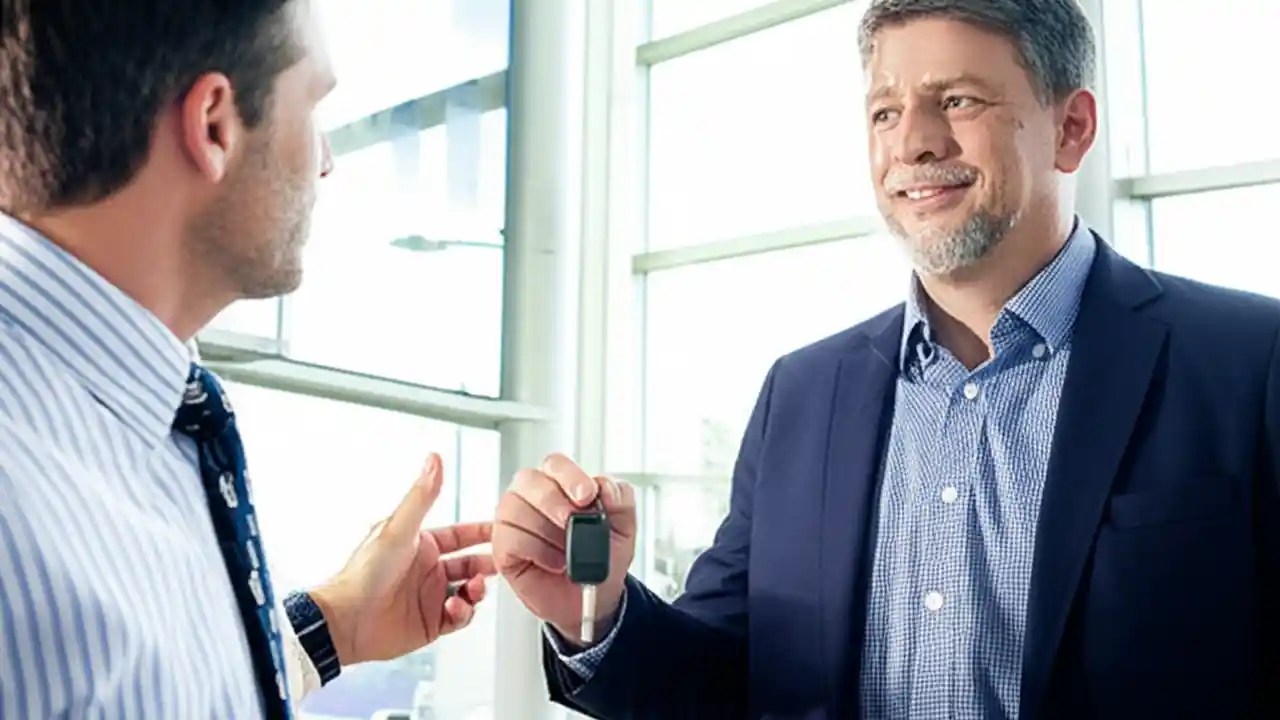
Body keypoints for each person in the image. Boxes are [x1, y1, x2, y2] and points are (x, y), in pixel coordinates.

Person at [492, 0, 1280, 717]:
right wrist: (591, 610)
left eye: (958, 101)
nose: (912, 142)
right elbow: (724, 680)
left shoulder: (1248, 363)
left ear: (1070, 128)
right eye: (884, 111)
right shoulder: (801, 396)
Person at [0, 1, 494, 717]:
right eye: (312, 106)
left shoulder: (135, 415)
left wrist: (331, 629)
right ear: (214, 126)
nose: (325, 161)